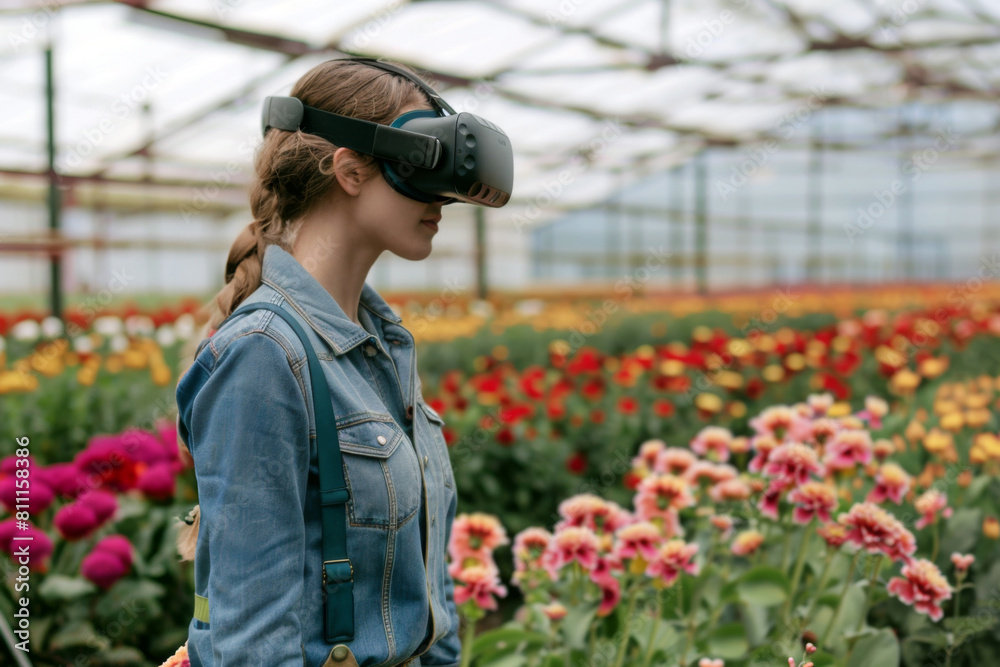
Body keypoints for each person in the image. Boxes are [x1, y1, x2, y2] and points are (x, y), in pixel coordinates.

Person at [174, 57, 461, 667]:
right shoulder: (265, 355)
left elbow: (425, 594)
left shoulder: (381, 343)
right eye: (421, 165)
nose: (444, 197)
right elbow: (251, 643)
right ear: (350, 170)